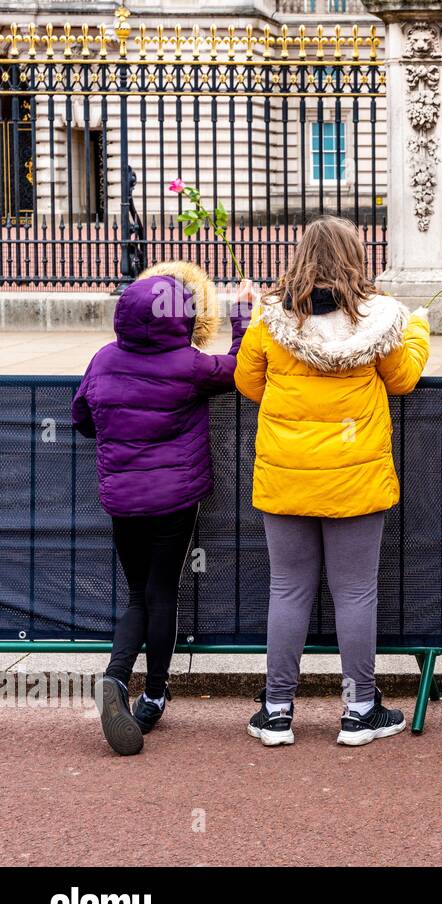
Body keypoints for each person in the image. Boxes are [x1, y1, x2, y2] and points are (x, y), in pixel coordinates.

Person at [235, 216, 430, 747]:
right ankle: (359, 708)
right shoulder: (381, 319)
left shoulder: (269, 320)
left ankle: (276, 710)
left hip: (286, 477)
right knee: (355, 593)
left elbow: (247, 382)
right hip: (355, 478)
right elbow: (404, 379)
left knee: (288, 590)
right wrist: (418, 328)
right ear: (354, 258)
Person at [75, 262, 252, 756]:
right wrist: (241, 319)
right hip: (175, 500)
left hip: (122, 500)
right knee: (162, 590)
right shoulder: (190, 365)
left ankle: (115, 678)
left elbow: (82, 419)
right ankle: (152, 695)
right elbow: (238, 371)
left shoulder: (103, 360)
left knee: (136, 594)